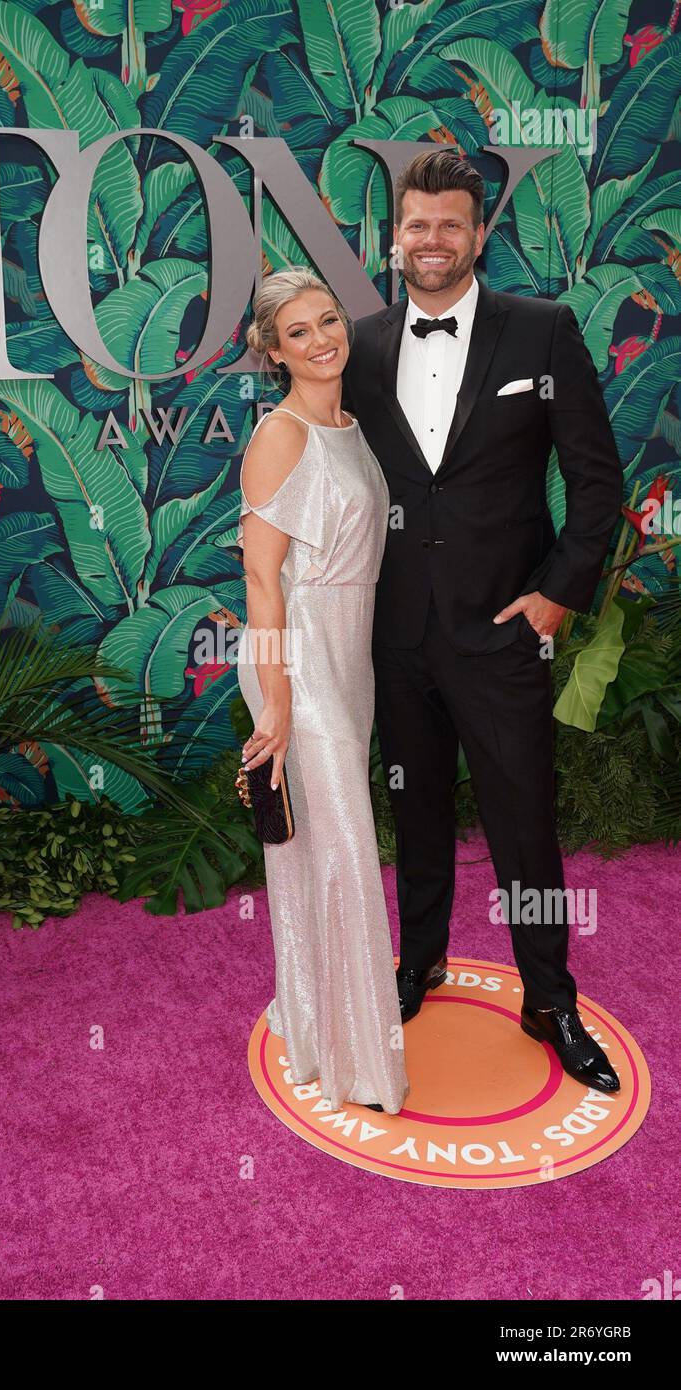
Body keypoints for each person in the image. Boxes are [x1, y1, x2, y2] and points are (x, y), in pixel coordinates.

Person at [340, 148, 623, 1094]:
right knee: (413, 809)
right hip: (399, 632)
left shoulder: (541, 333)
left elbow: (597, 482)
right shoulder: (364, 345)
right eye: (417, 225)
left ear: (478, 234)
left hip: (503, 630)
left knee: (524, 822)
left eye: (450, 224)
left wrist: (555, 594)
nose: (432, 240)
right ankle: (418, 962)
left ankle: (549, 995)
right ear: (395, 236)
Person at [235, 269, 409, 1115]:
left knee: (330, 846)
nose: (320, 340)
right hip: (297, 657)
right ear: (273, 351)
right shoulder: (282, 431)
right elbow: (261, 581)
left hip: (349, 652)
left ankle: (320, 1020)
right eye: (297, 332)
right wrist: (275, 700)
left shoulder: (350, 423)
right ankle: (356, 1063)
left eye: (328, 320)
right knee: (340, 844)